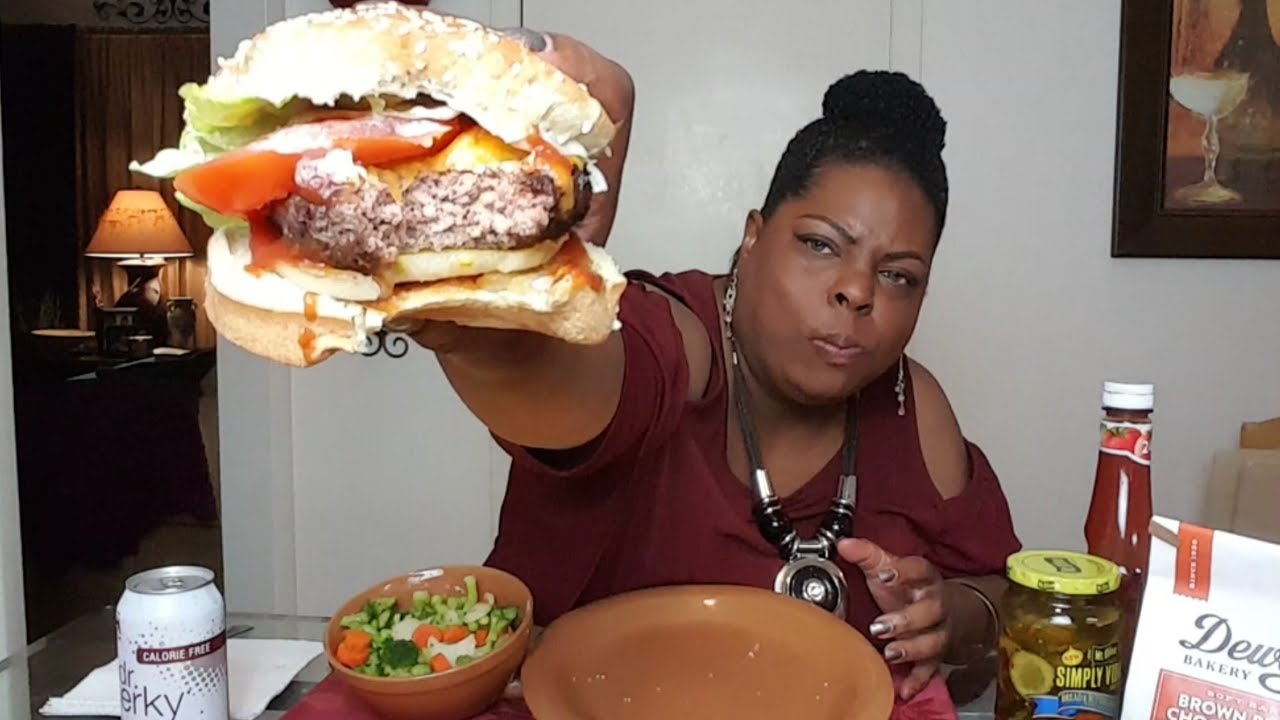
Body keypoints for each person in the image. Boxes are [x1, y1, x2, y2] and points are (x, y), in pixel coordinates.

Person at [411, 27, 1022, 705]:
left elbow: (1000, 598)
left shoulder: (911, 406)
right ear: (754, 237)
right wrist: (497, 314)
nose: (859, 292)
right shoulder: (681, 337)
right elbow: (553, 387)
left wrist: (951, 615)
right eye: (821, 245)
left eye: (900, 277)